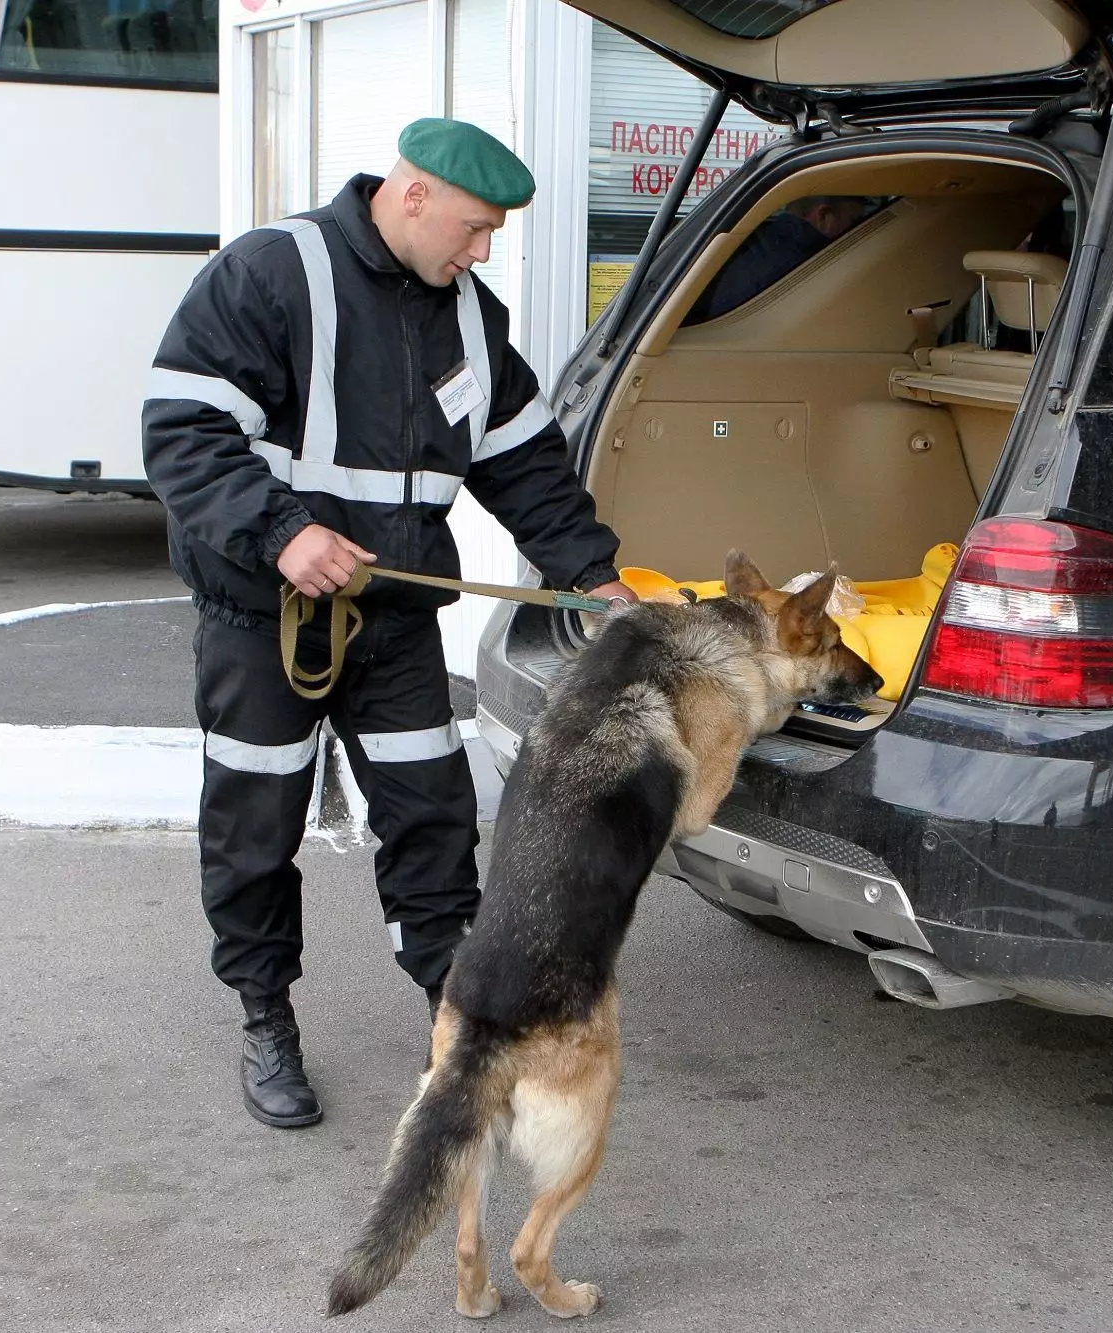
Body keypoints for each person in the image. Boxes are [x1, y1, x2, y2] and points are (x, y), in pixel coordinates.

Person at [142, 118, 636, 1130]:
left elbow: (525, 465)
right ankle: (264, 1018)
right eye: (473, 227)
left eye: (491, 234)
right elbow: (181, 430)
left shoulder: (469, 316)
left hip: (395, 622)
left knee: (432, 820)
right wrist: (282, 532)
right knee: (254, 828)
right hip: (261, 614)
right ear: (410, 196)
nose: (482, 251)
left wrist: (594, 574)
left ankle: (454, 1027)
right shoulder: (273, 272)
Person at [683, 195, 873, 323]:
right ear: (823, 216)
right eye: (854, 221)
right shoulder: (806, 265)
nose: (858, 230)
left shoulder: (760, 246)